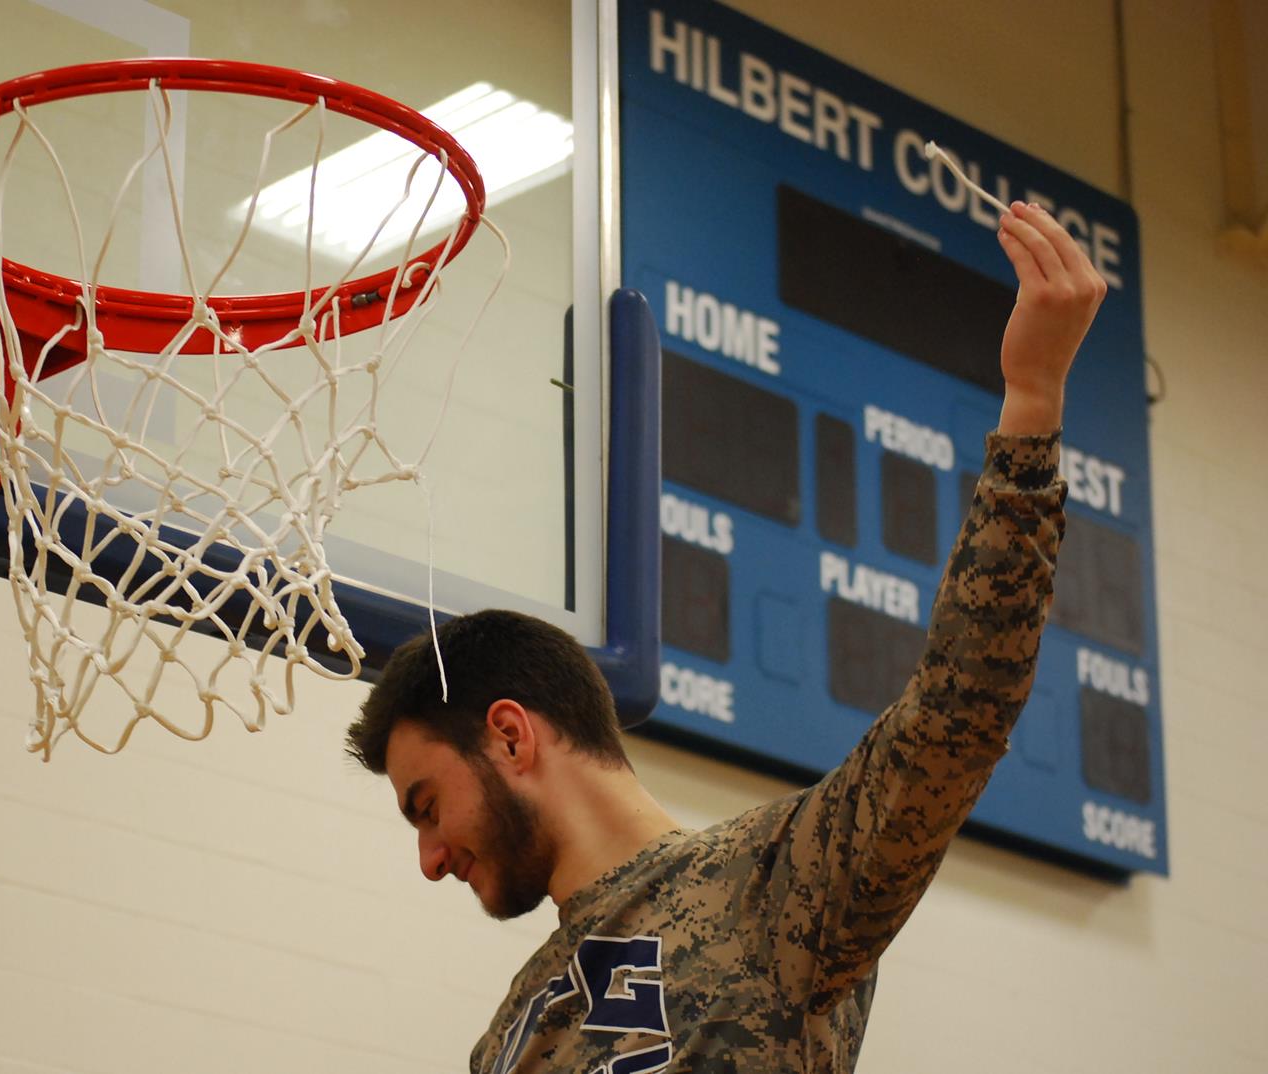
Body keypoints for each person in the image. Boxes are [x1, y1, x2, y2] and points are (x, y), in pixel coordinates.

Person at [343, 201, 1106, 1073]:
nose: (430, 859)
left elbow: (957, 715)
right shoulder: (509, 1035)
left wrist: (1033, 398)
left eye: (427, 806)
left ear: (510, 735)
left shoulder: (774, 891)